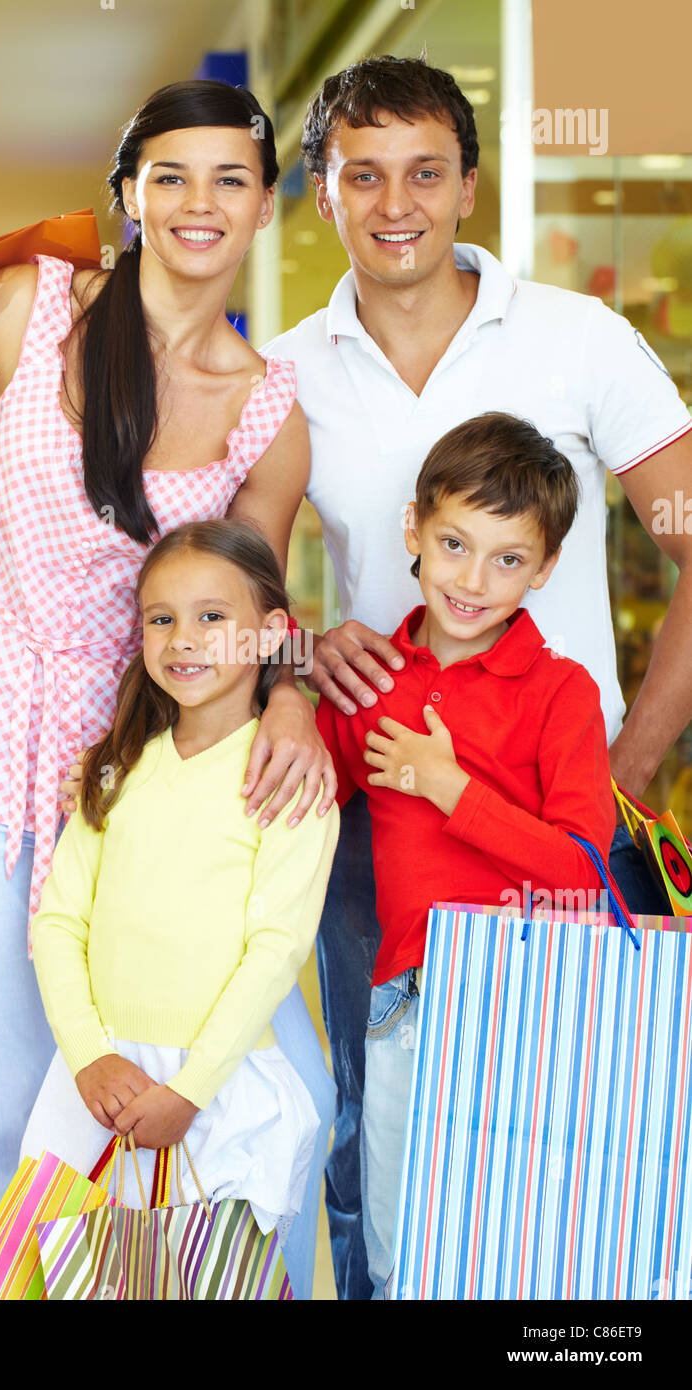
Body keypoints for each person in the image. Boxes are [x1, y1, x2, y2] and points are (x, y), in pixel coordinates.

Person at [0, 80, 337, 1273]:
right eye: (170, 176)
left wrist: (297, 693)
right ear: (128, 197)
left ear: (266, 204)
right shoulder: (32, 310)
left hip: (144, 777)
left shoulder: (267, 411)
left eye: (229, 178)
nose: (199, 202)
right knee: (8, 1113)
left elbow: (258, 607)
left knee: (279, 1087)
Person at [262, 54, 692, 1299]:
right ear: (324, 192)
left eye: (424, 172)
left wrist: (628, 762)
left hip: (562, 804)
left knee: (573, 1130)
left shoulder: (577, 337)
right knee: (374, 1122)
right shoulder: (285, 371)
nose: (394, 203)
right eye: (362, 175)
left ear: (467, 187)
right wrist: (299, 648)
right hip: (385, 807)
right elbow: (240, 576)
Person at [316, 412, 617, 1296]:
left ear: (546, 567)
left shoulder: (563, 692)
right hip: (405, 1006)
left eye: (508, 559)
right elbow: (292, 813)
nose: (474, 581)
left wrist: (449, 787)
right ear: (413, 529)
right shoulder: (369, 684)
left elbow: (585, 873)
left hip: (535, 1005)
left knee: (522, 1258)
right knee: (402, 1256)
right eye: (454, 544)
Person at [21, 519, 339, 1297]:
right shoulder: (112, 772)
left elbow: (275, 951)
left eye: (211, 616)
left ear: (271, 632)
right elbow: (58, 923)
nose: (183, 639)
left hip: (220, 1089)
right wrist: (88, 1056)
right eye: (161, 618)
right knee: (82, 1280)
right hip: (97, 1086)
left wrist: (190, 1093)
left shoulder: (289, 782)